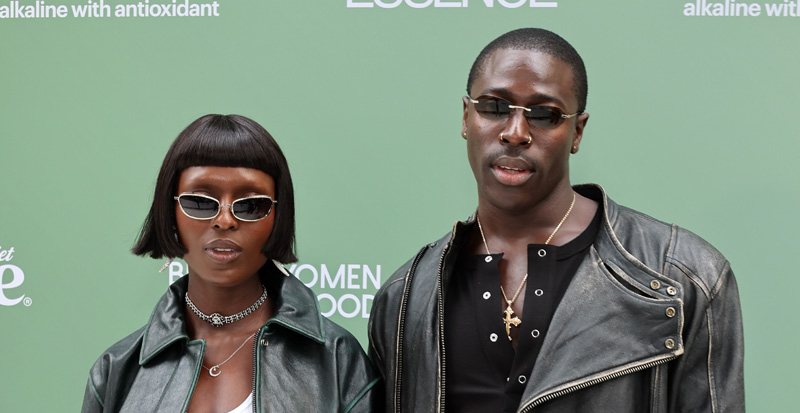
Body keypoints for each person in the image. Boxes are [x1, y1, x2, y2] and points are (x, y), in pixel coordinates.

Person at [368, 28, 744, 412]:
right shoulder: (404, 300)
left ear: (577, 131)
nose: (515, 133)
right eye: (494, 107)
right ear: (467, 117)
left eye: (545, 115)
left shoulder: (683, 277)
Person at [82, 114, 380, 412]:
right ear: (168, 212)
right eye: (200, 202)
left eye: (251, 205)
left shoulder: (338, 360)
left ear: (279, 218)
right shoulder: (117, 370)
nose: (224, 221)